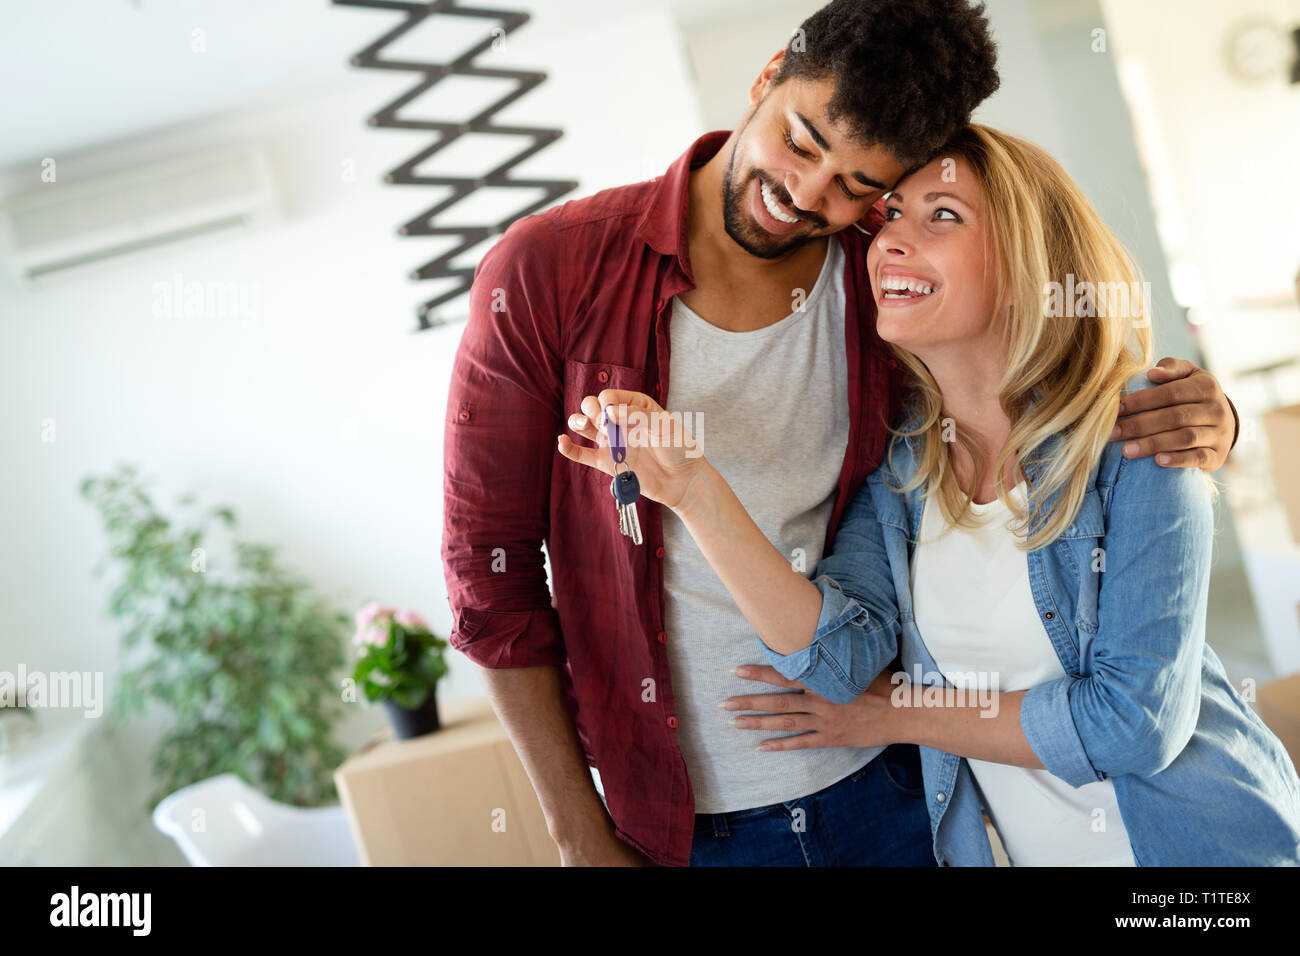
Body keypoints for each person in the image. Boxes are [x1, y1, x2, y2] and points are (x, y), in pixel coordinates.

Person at [445, 0, 1240, 868]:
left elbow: (1031, 361)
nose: (806, 196)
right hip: (680, 820)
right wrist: (578, 835)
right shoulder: (551, 268)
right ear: (764, 82)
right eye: (802, 140)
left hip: (898, 788)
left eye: (861, 186)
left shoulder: (882, 279)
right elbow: (491, 582)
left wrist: (1207, 416)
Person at [557, 124, 1300, 865]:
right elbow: (836, 660)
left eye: (942, 214)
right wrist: (692, 488)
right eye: (891, 216)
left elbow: (1133, 724)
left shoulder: (1135, 433)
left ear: (1025, 260)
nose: (889, 242)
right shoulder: (908, 468)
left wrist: (897, 713)